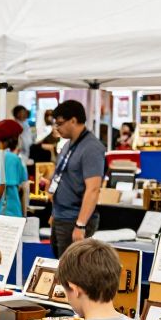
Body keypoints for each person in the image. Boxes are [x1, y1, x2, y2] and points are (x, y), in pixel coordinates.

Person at [46, 100, 106, 259]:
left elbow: (93, 189)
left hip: (74, 218)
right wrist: (54, 213)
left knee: (71, 271)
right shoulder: (67, 145)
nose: (57, 128)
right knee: (59, 267)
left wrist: (81, 225)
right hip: (60, 216)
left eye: (60, 123)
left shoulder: (91, 147)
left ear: (73, 120)